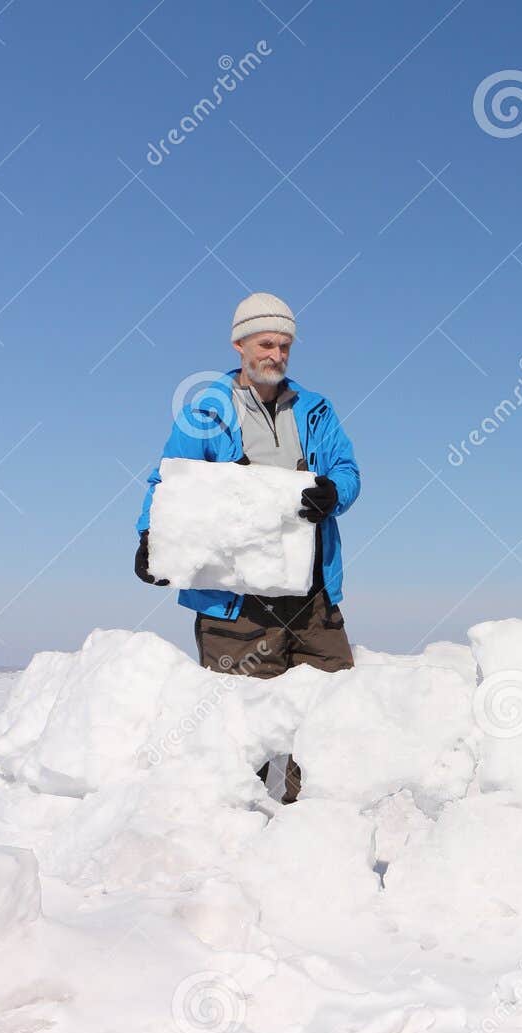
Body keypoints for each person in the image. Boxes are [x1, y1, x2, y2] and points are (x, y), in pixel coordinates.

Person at [134, 292, 361, 803]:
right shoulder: (206, 410)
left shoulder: (316, 410)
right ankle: (242, 839)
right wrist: (150, 535)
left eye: (284, 345)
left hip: (311, 595)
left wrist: (334, 494)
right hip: (236, 602)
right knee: (239, 727)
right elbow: (167, 479)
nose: (276, 355)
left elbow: (347, 470)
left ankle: (320, 828)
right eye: (266, 343)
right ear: (239, 344)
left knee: (331, 716)